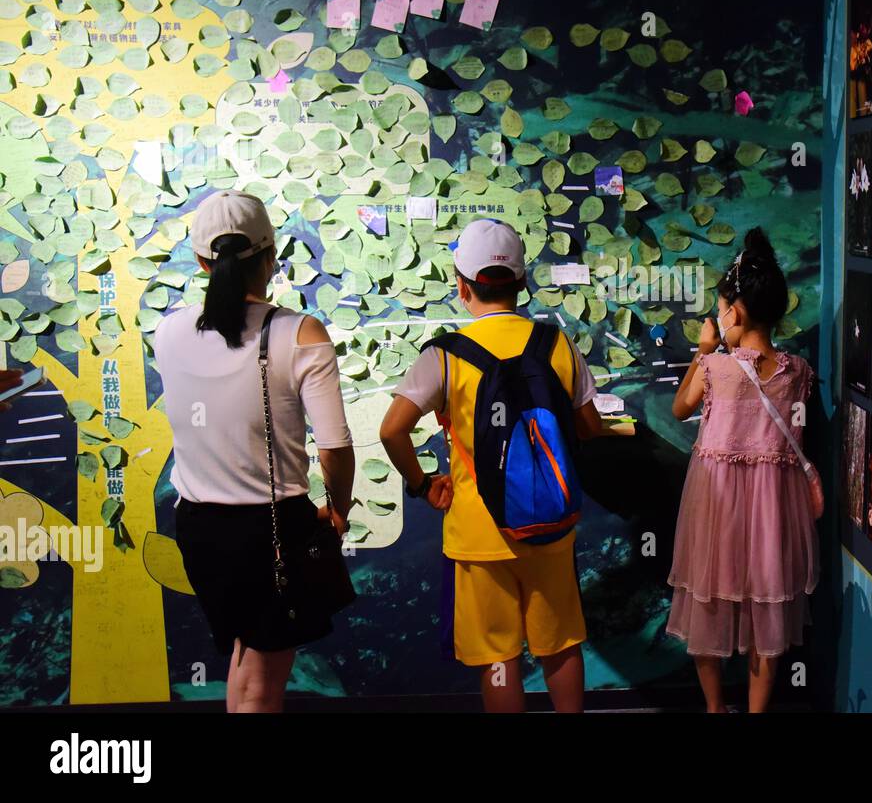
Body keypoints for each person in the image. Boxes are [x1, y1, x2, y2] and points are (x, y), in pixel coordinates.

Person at [380, 218, 604, 713]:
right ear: (522, 283)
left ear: (462, 286)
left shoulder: (442, 356)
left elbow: (391, 430)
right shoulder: (556, 343)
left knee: (499, 657)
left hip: (480, 534)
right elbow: (589, 426)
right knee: (561, 644)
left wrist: (423, 485)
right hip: (549, 523)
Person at [155, 190, 355, 713]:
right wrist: (338, 508)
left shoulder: (169, 331)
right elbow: (334, 445)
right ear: (270, 256)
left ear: (201, 261)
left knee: (245, 658)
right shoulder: (300, 332)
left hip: (199, 529)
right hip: (271, 529)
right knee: (266, 682)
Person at [668, 228, 821, 713]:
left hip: (716, 505)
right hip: (773, 509)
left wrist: (704, 348)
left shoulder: (714, 367)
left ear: (733, 312)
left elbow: (677, 408)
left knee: (707, 601)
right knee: (767, 607)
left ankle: (715, 708)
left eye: (720, 308)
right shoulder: (799, 371)